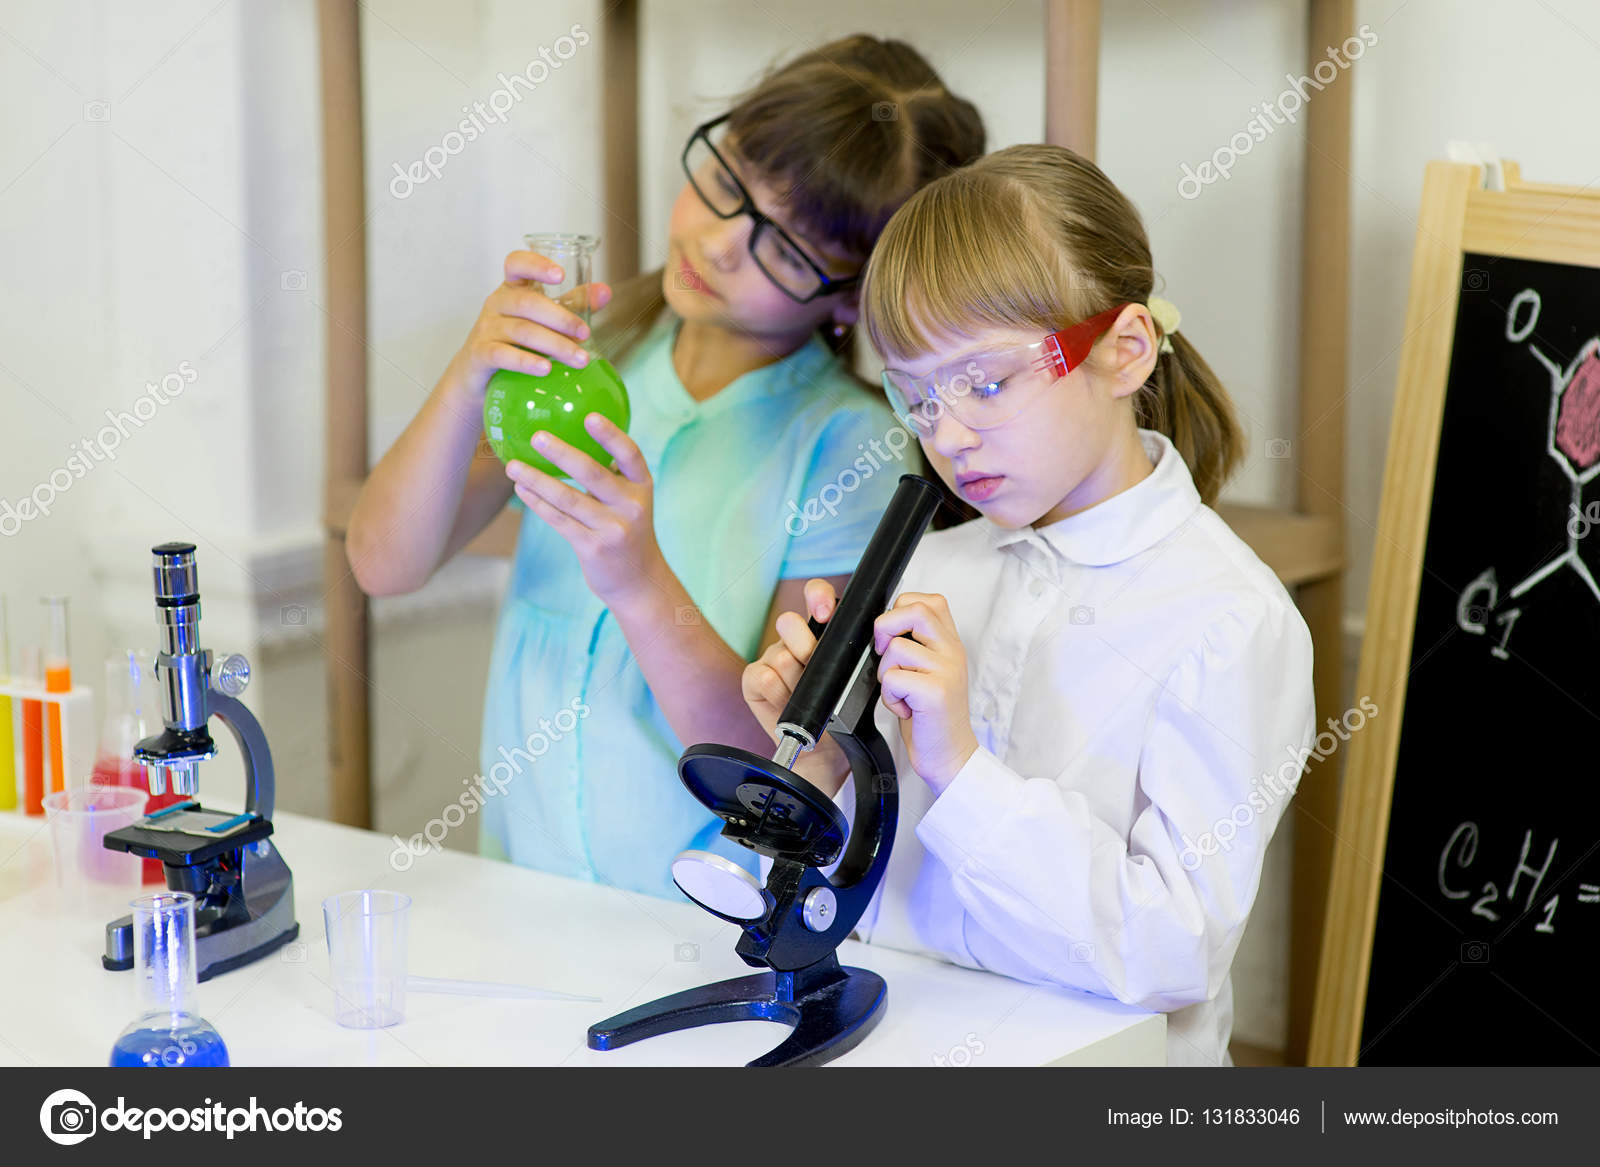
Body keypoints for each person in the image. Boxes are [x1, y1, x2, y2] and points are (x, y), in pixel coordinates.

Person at [346, 36, 985, 900]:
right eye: (725, 185)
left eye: (787, 251)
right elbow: (385, 560)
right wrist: (469, 377)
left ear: (851, 293)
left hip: (689, 930)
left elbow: (778, 755)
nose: (721, 244)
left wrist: (638, 579)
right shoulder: (593, 361)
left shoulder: (850, 445)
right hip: (517, 893)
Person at [742, 144, 1316, 1066]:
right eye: (917, 396)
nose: (950, 434)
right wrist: (819, 775)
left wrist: (963, 768)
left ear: (1124, 350)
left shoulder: (1228, 618)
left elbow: (1172, 949)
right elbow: (880, 912)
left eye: (987, 381)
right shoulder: (936, 565)